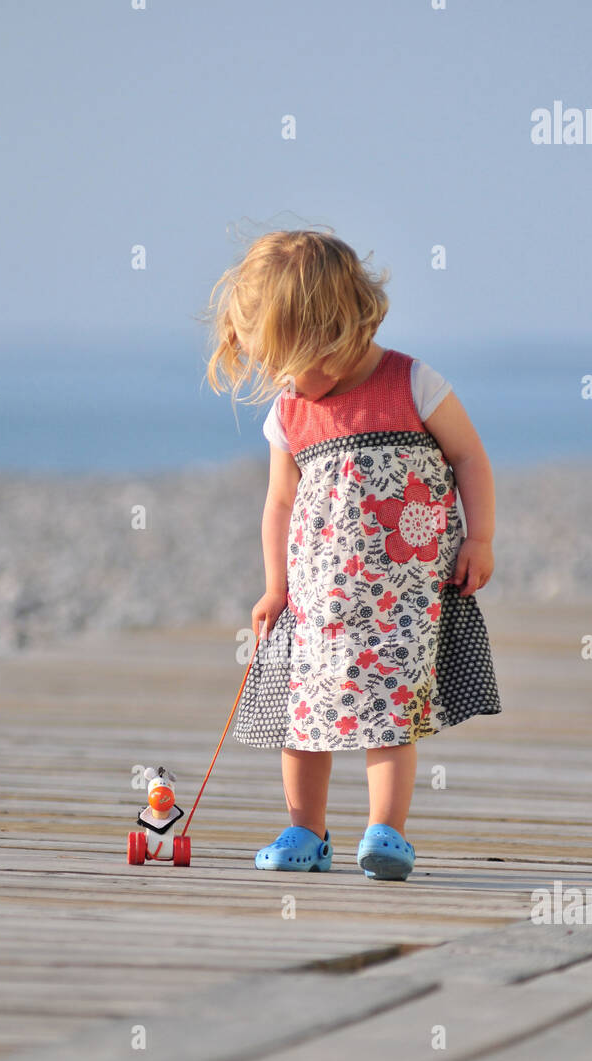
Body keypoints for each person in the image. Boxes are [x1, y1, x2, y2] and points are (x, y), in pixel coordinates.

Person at [203, 228, 500, 880]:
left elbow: (468, 457)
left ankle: (385, 833)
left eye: (291, 363)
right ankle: (305, 830)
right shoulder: (290, 412)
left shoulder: (412, 384)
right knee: (302, 720)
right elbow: (280, 502)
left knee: (389, 717)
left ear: (333, 337)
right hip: (317, 603)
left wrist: (478, 537)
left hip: (402, 597)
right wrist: (274, 586)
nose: (283, 380)